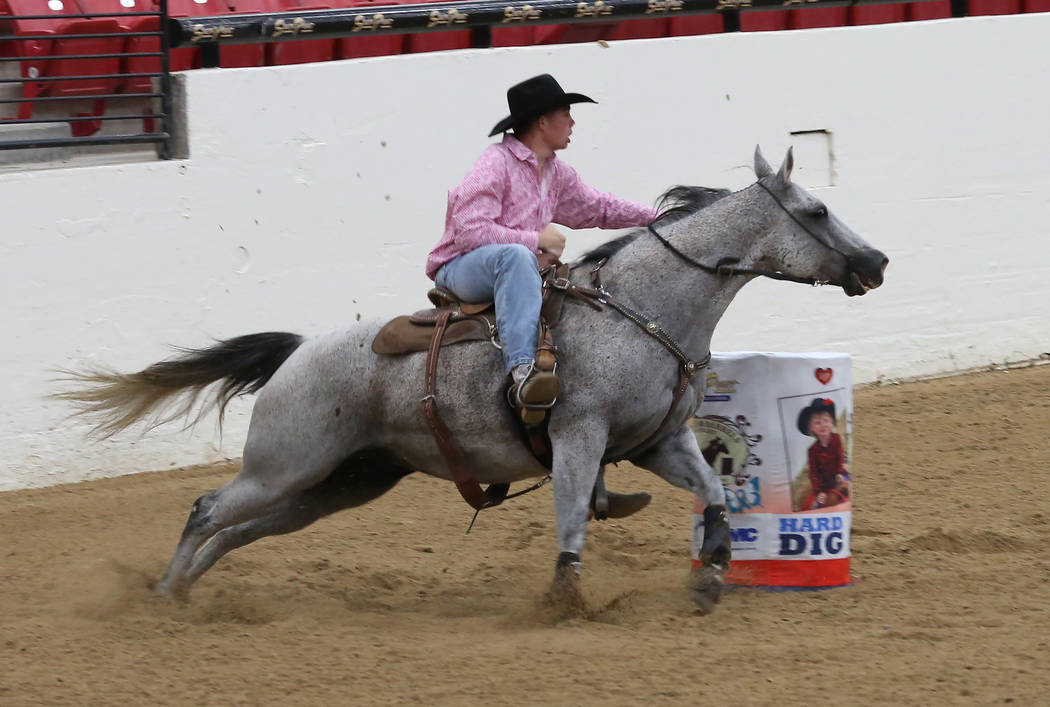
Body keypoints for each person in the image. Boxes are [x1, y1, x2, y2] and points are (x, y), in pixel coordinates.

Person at [425, 73, 660, 412]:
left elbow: (600, 207)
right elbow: (469, 232)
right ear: (542, 121)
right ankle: (524, 371)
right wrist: (536, 239)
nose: (572, 121)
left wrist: (658, 217)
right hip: (459, 267)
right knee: (518, 257)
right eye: (565, 113)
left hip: (505, 267)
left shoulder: (556, 172)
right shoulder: (496, 163)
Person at [796, 398, 851, 509]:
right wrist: (819, 492)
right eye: (817, 422)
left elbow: (839, 458)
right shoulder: (812, 450)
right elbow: (814, 474)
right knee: (820, 502)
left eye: (826, 421)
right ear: (811, 427)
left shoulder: (837, 439)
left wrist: (839, 474)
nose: (822, 425)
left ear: (831, 422)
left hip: (838, 477)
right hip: (824, 484)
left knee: (846, 488)